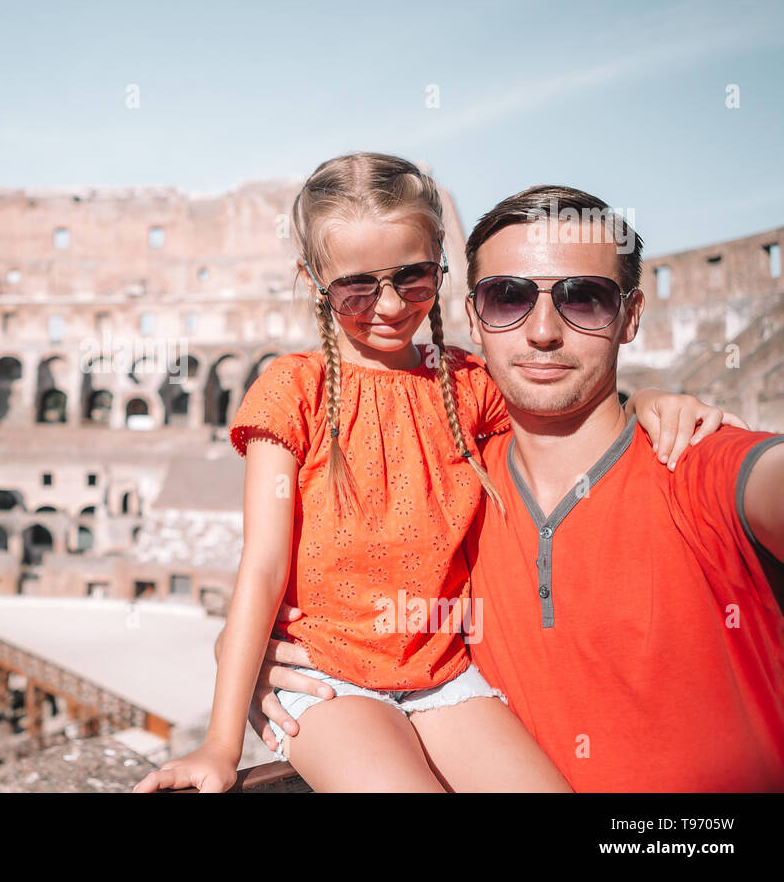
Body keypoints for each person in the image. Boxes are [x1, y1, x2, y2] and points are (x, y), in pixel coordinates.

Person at [133, 156, 735, 793]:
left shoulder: (469, 384)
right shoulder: (292, 390)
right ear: (312, 280)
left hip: (445, 677)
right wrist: (222, 746)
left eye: (414, 279)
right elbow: (263, 563)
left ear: (440, 264)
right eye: (357, 289)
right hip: (327, 678)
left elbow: (573, 412)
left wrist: (642, 402)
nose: (390, 306)